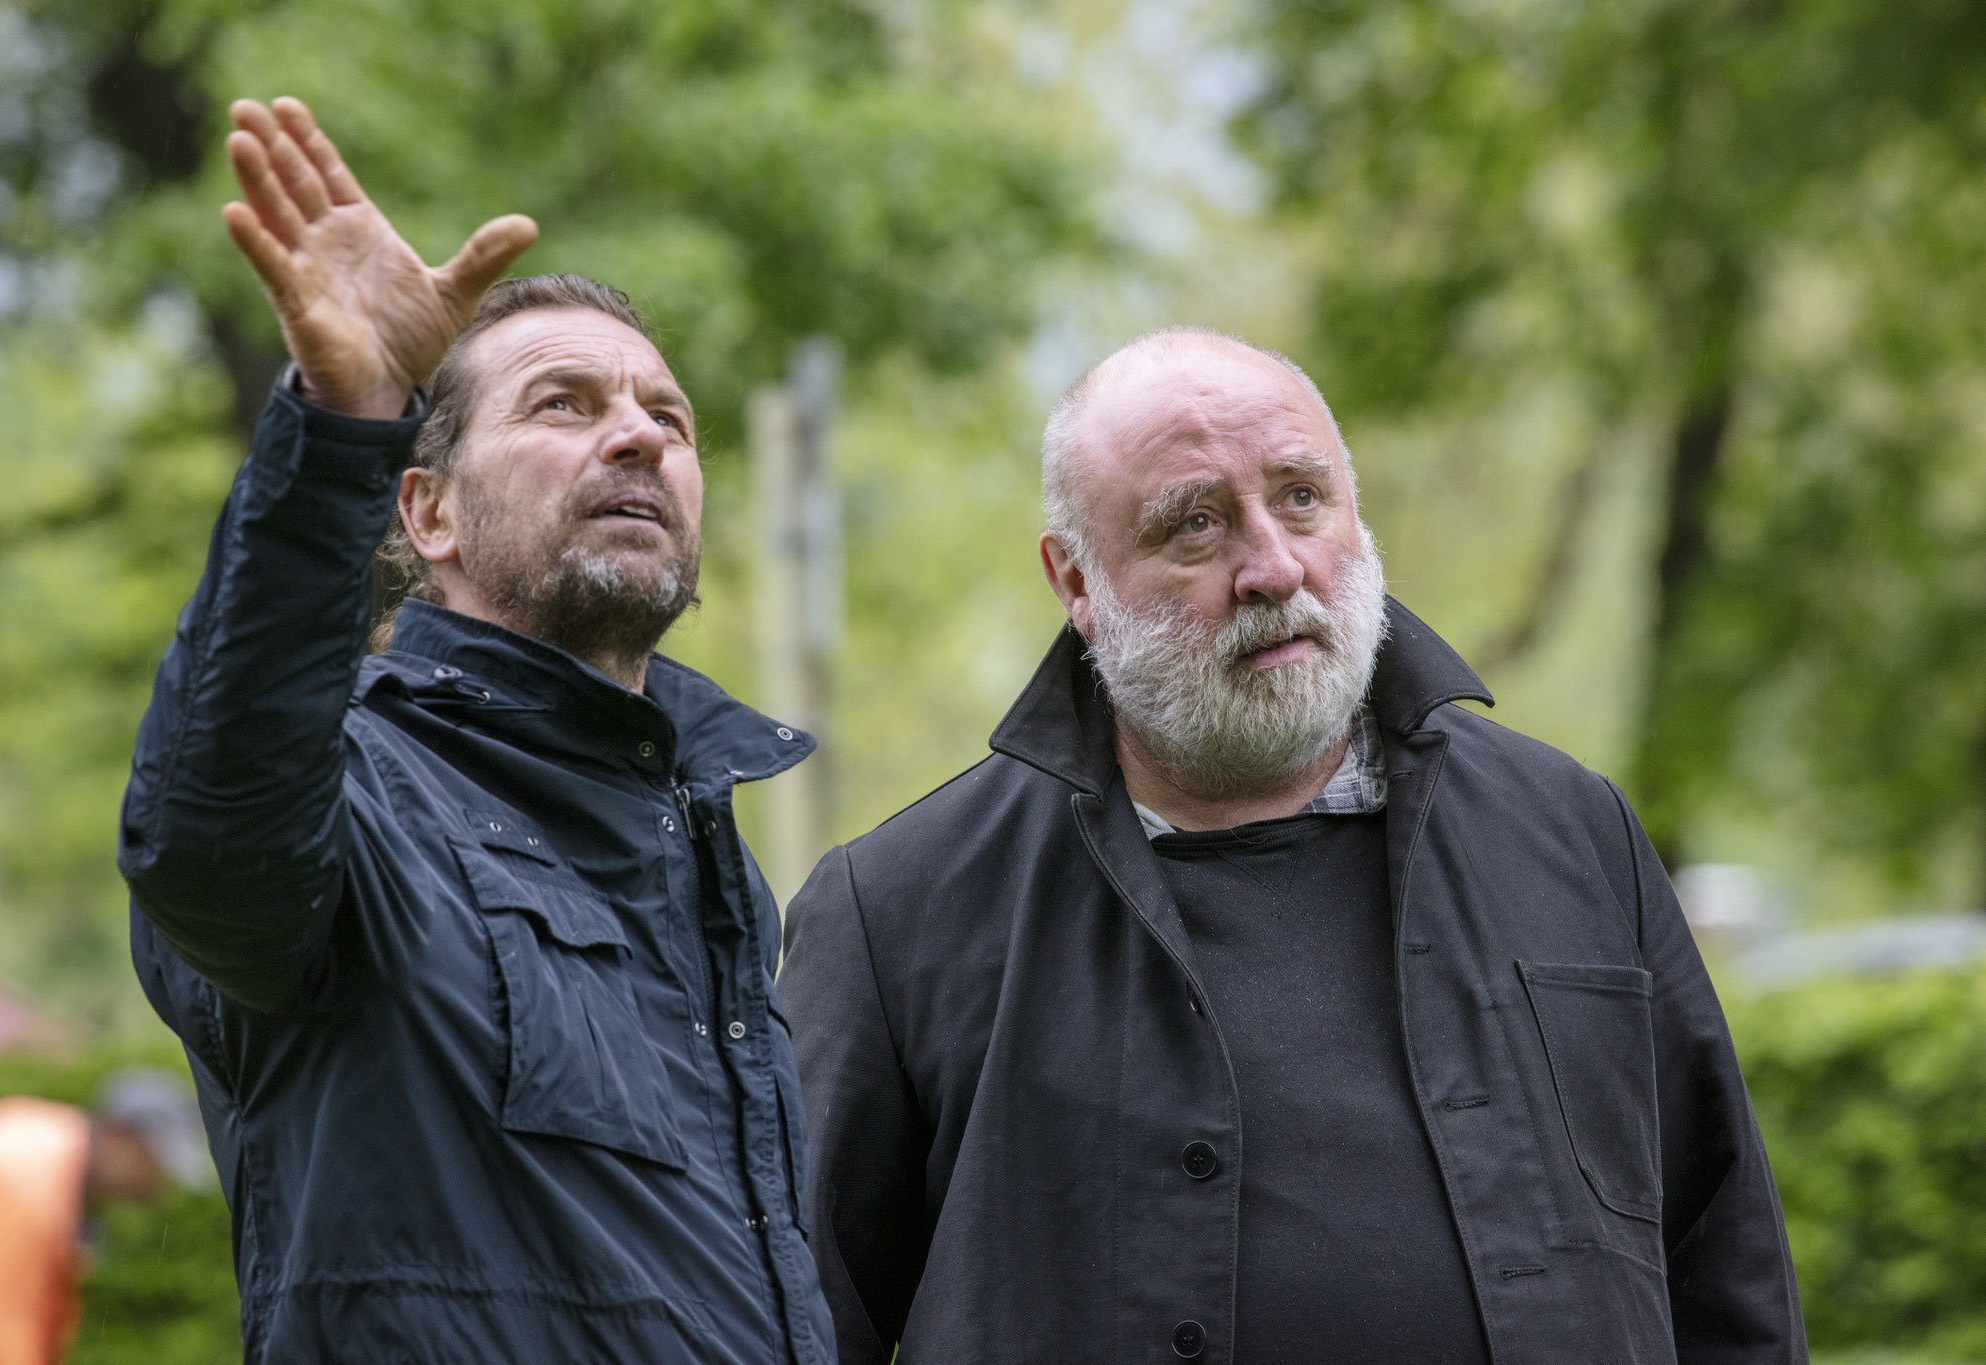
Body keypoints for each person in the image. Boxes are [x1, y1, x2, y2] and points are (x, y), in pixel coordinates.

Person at [778, 327, 1807, 1364]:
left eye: (1301, 498)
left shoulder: (1570, 832)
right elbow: (793, 1324)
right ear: (1075, 584)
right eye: (1194, 525)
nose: (1270, 566)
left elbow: (1726, 1274)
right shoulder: (898, 913)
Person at [118, 97, 834, 1363]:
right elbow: (207, 840)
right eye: (563, 404)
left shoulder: (706, 846)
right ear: (428, 515)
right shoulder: (356, 804)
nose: (638, 436)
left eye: (666, 418)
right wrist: (339, 425)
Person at [0, 1069, 207, 1365]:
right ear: (120, 1135)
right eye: (155, 1162)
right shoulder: (33, 1181)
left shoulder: (52, 1151)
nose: (160, 1185)